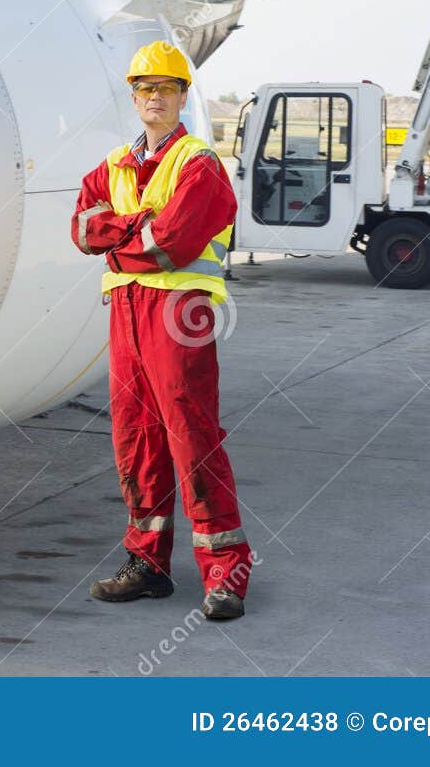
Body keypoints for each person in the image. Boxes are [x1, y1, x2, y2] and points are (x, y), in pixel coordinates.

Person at [70, 40, 253, 621]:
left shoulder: (198, 164)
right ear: (134, 97)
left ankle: (225, 574)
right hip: (126, 311)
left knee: (191, 436)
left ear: (182, 97)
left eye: (166, 89)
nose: (155, 98)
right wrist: (136, 231)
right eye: (146, 89)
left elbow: (169, 242)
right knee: (136, 438)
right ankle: (147, 564)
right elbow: (81, 226)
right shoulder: (116, 164)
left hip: (179, 314)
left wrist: (122, 236)